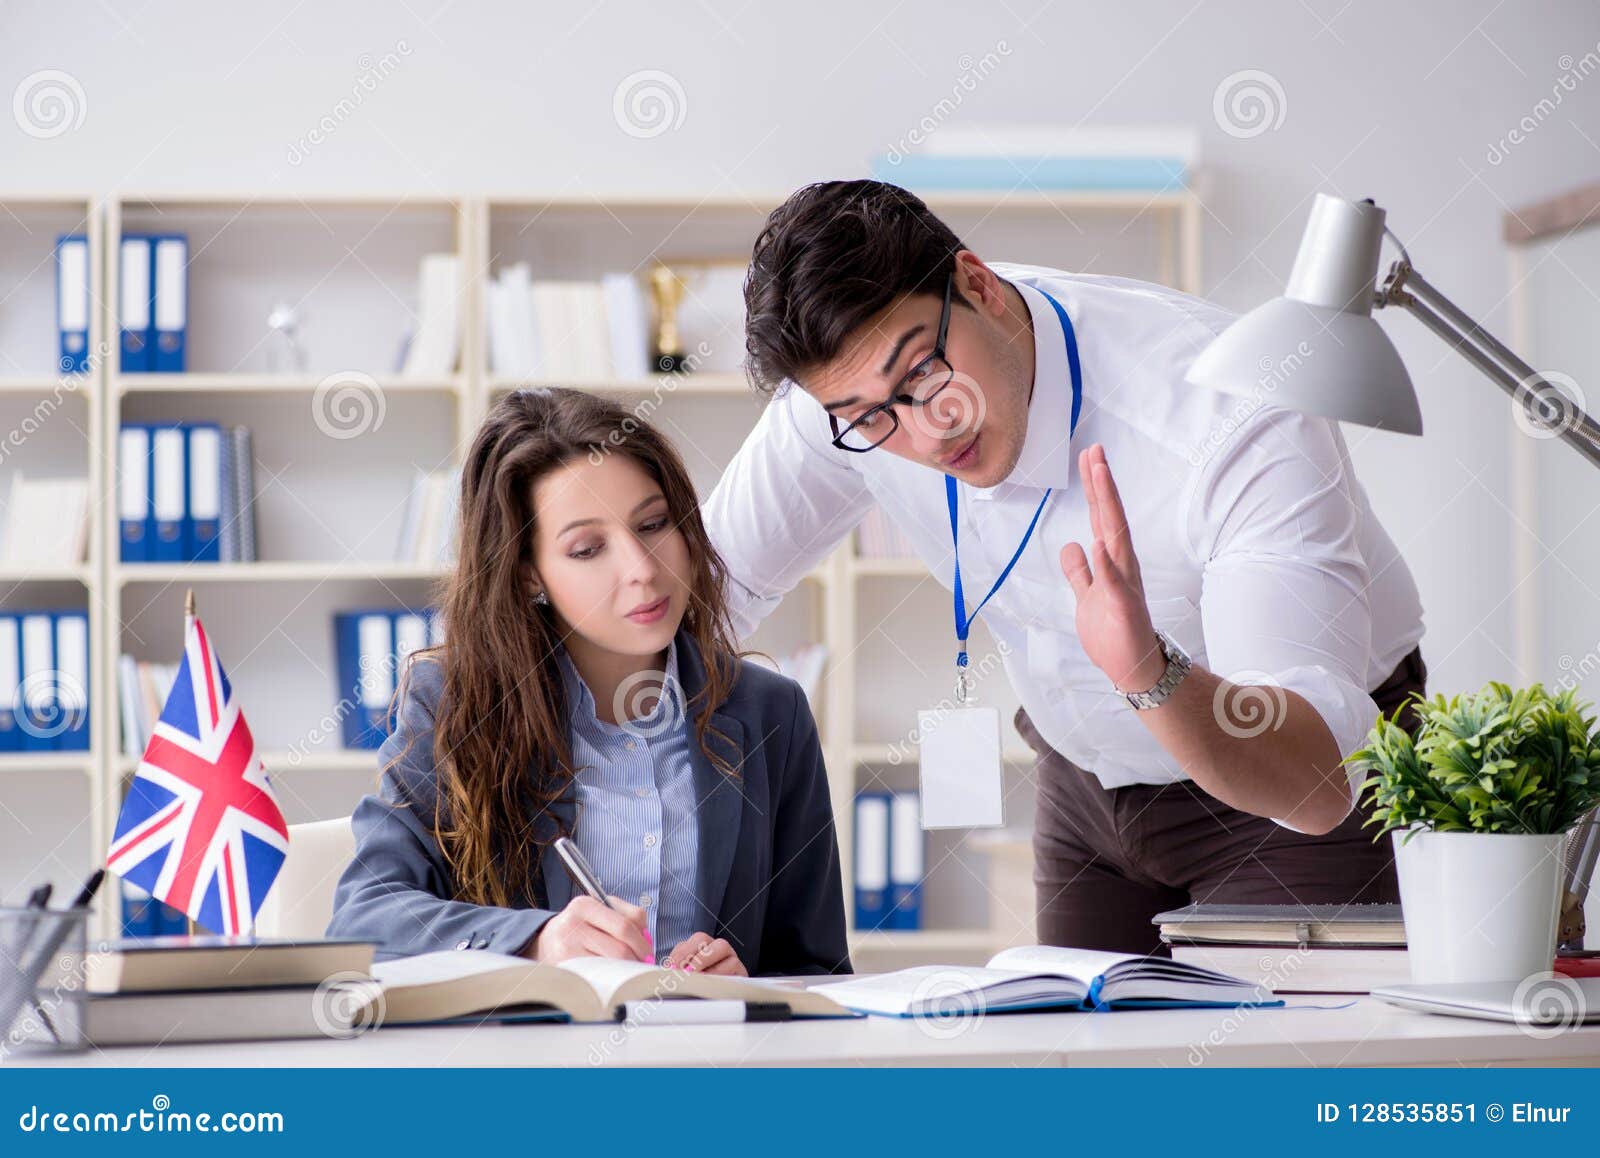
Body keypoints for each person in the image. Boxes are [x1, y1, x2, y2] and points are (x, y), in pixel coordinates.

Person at [703, 179, 1428, 956]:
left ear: (977, 284)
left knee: (1265, 1072)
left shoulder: (1228, 415)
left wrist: (1151, 671)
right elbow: (692, 599)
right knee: (1083, 1071)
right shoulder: (841, 403)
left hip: (1281, 795)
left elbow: (1317, 782)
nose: (925, 432)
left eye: (921, 375)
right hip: (1083, 786)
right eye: (869, 418)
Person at [329, 387, 850, 975]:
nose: (642, 569)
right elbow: (363, 919)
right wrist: (538, 942)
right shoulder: (451, 702)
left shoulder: (769, 712)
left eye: (653, 523)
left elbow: (815, 971)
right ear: (529, 575)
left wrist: (746, 992)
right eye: (587, 548)